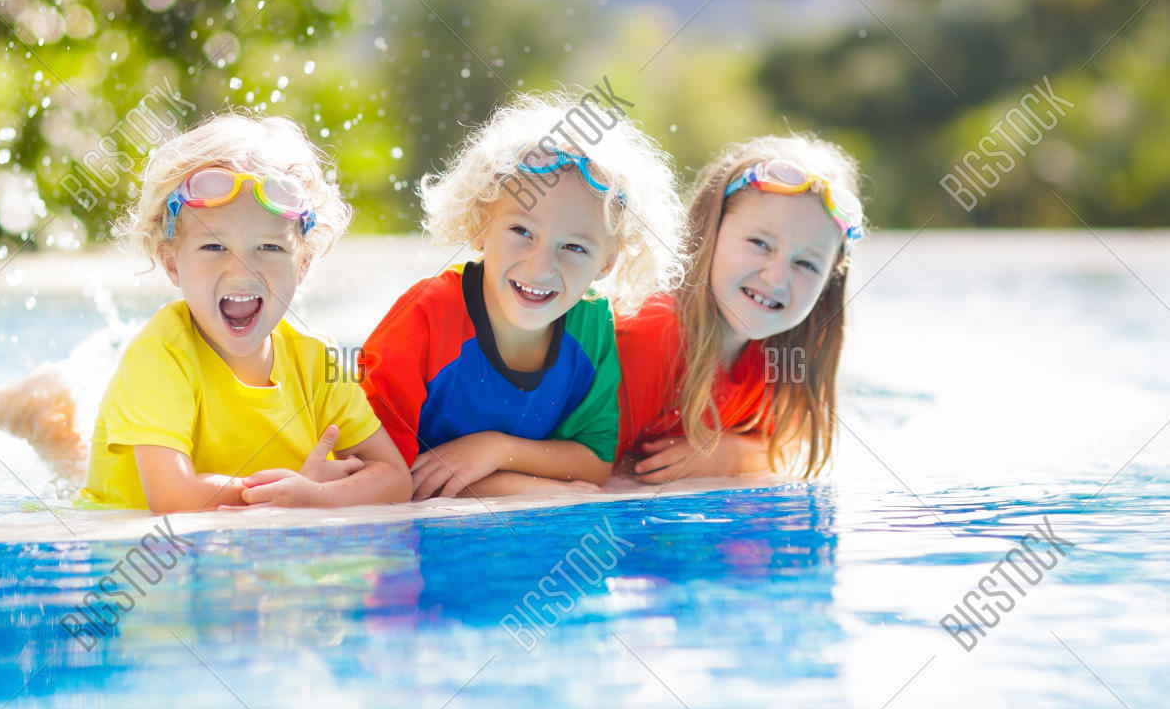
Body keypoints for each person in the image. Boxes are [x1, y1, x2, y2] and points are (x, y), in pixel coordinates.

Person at [0, 112, 410, 513]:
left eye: (269, 247)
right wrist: (292, 491)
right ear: (172, 263)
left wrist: (315, 496)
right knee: (74, 476)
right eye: (214, 246)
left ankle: (50, 413)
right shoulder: (161, 356)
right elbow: (174, 498)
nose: (242, 269)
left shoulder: (317, 358)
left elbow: (394, 478)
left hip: (246, 506)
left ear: (304, 263)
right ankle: (44, 414)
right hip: (120, 504)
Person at [359, 91, 686, 498]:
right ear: (481, 223)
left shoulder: (590, 322)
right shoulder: (426, 315)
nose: (539, 267)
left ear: (607, 262)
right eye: (521, 232)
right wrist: (515, 487)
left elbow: (593, 460)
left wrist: (498, 451)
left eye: (574, 248)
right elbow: (371, 472)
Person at [616, 134, 864, 484]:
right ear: (708, 232)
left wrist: (730, 455)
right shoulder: (654, 336)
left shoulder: (786, 348)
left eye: (806, 264)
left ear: (828, 285)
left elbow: (793, 444)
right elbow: (577, 472)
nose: (777, 278)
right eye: (760, 243)